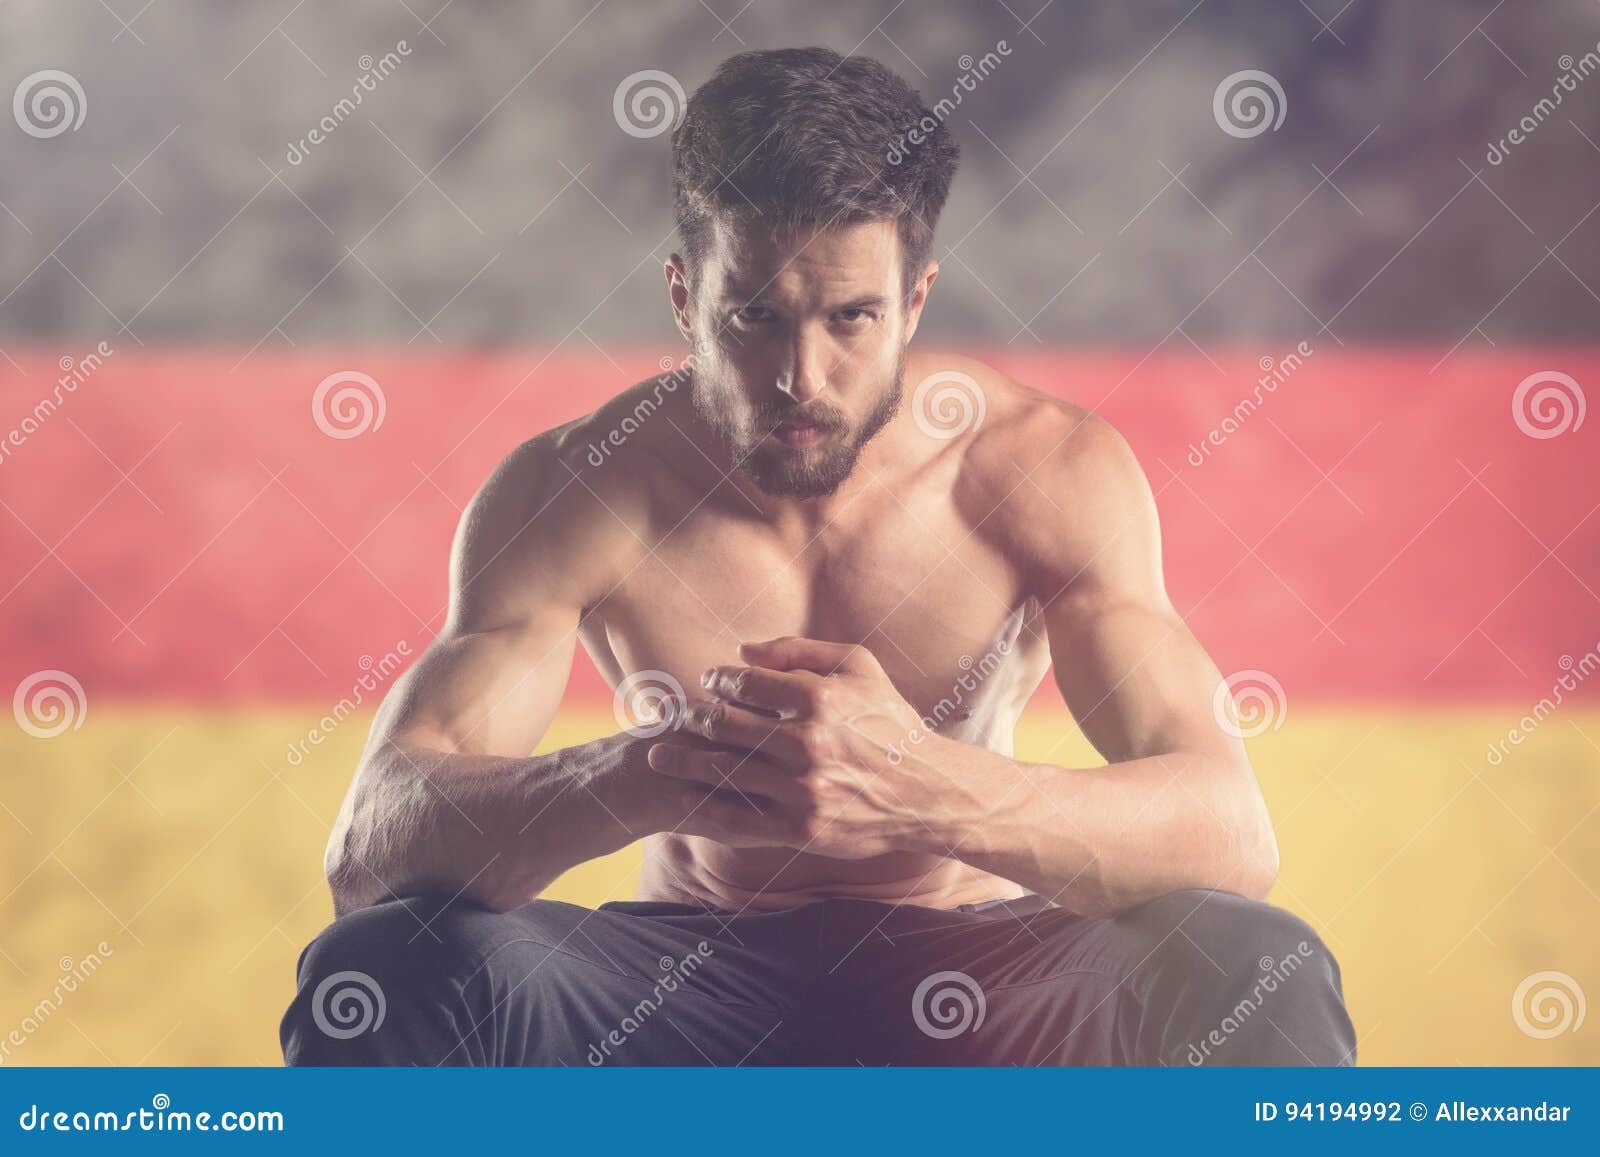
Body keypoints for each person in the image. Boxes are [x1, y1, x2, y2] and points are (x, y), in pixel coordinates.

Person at [280, 47, 1355, 1067]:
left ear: (914, 301)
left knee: (1256, 964)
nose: (801, 374)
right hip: (678, 984)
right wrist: (649, 772)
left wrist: (919, 788)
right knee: (386, 964)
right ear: (681, 298)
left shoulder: (1043, 470)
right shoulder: (578, 486)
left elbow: (1229, 832)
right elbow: (373, 846)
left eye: (850, 317)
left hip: (977, 981)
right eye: (752, 316)